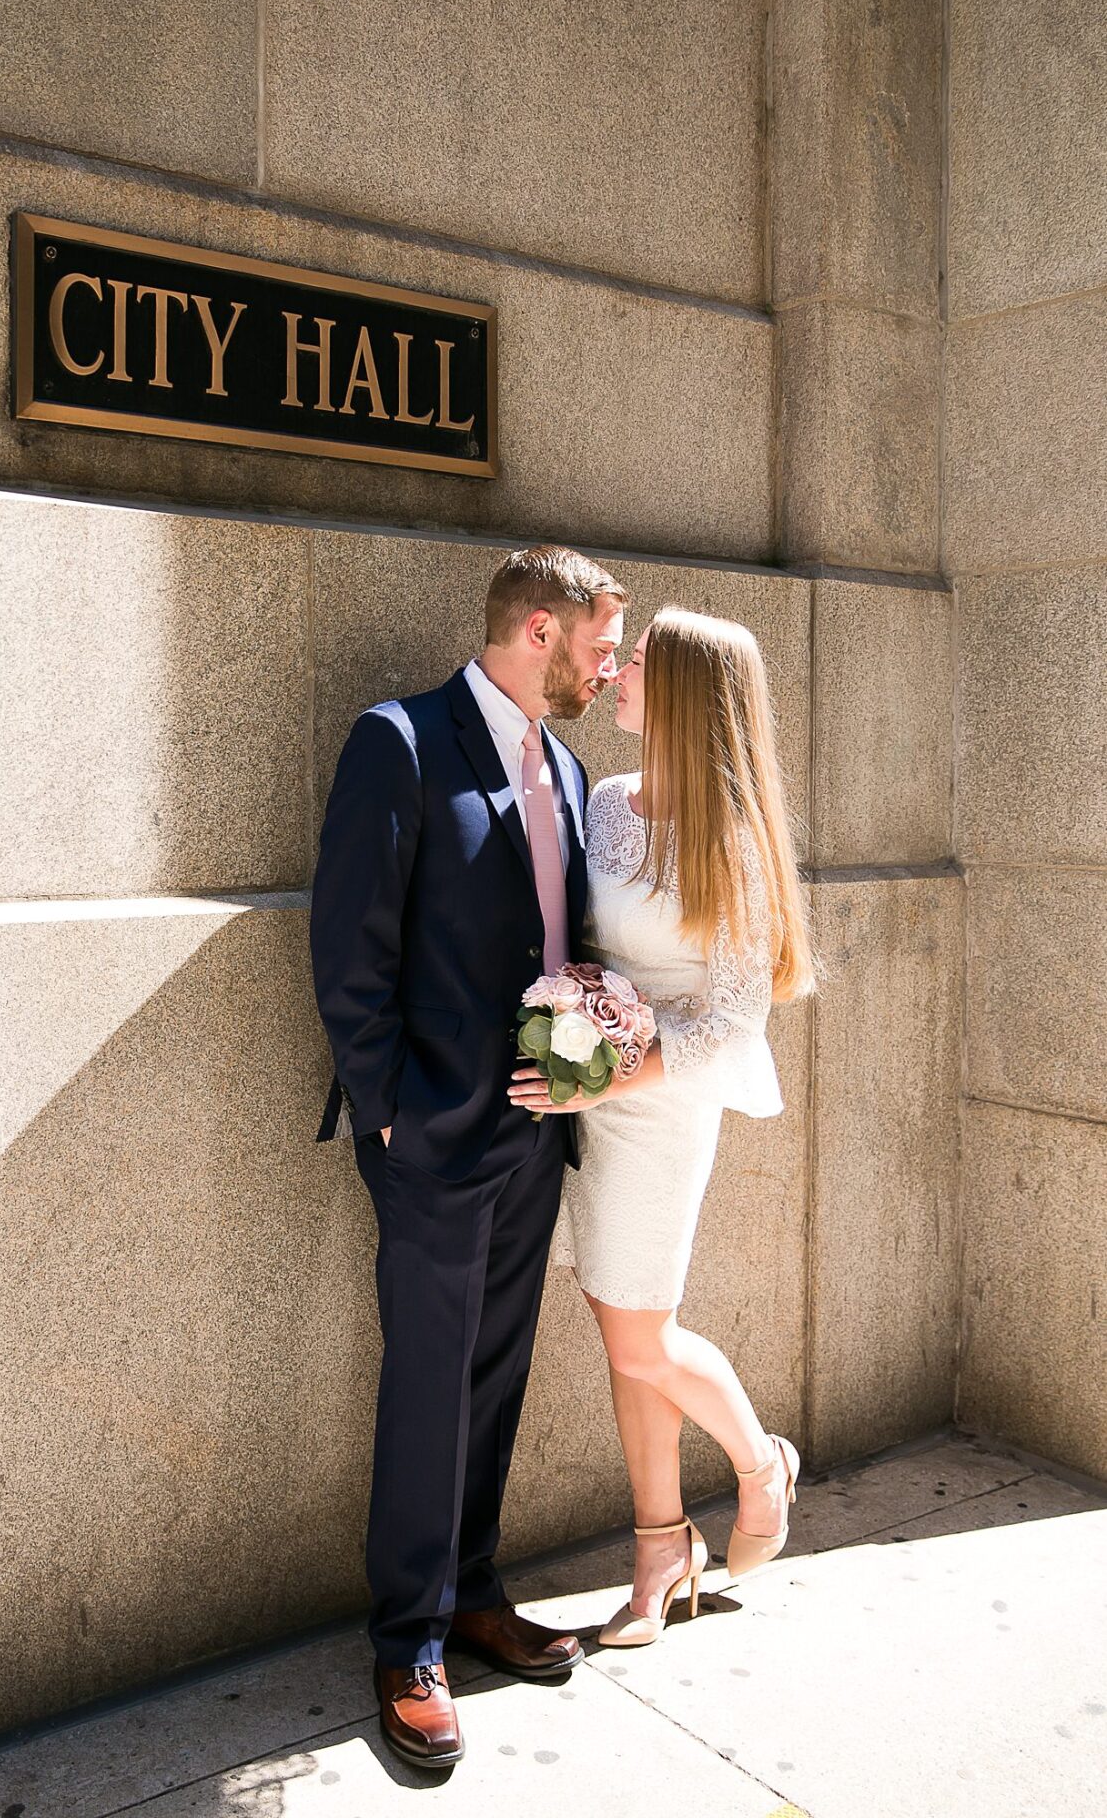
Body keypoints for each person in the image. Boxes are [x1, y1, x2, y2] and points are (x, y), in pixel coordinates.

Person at [310, 545, 626, 1769]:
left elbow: (562, 933)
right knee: (430, 1381)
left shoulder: (568, 761)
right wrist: (389, 1108)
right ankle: (409, 1639)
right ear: (538, 629)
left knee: (494, 1376)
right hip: (432, 1133)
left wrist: (592, 1049)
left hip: (541, 1131)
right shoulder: (400, 739)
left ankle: (474, 1586)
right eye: (599, 643)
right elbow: (350, 941)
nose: (607, 665)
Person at [510, 606, 814, 1646]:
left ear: (682, 691)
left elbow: (731, 1018)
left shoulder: (733, 840)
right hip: (590, 1092)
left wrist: (613, 1073)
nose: (618, 670)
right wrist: (576, 1026)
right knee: (617, 1323)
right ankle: (660, 1542)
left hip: (663, 1101)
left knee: (643, 1327)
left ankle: (758, 1459)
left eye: (637, 662)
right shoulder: (605, 798)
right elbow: (584, 937)